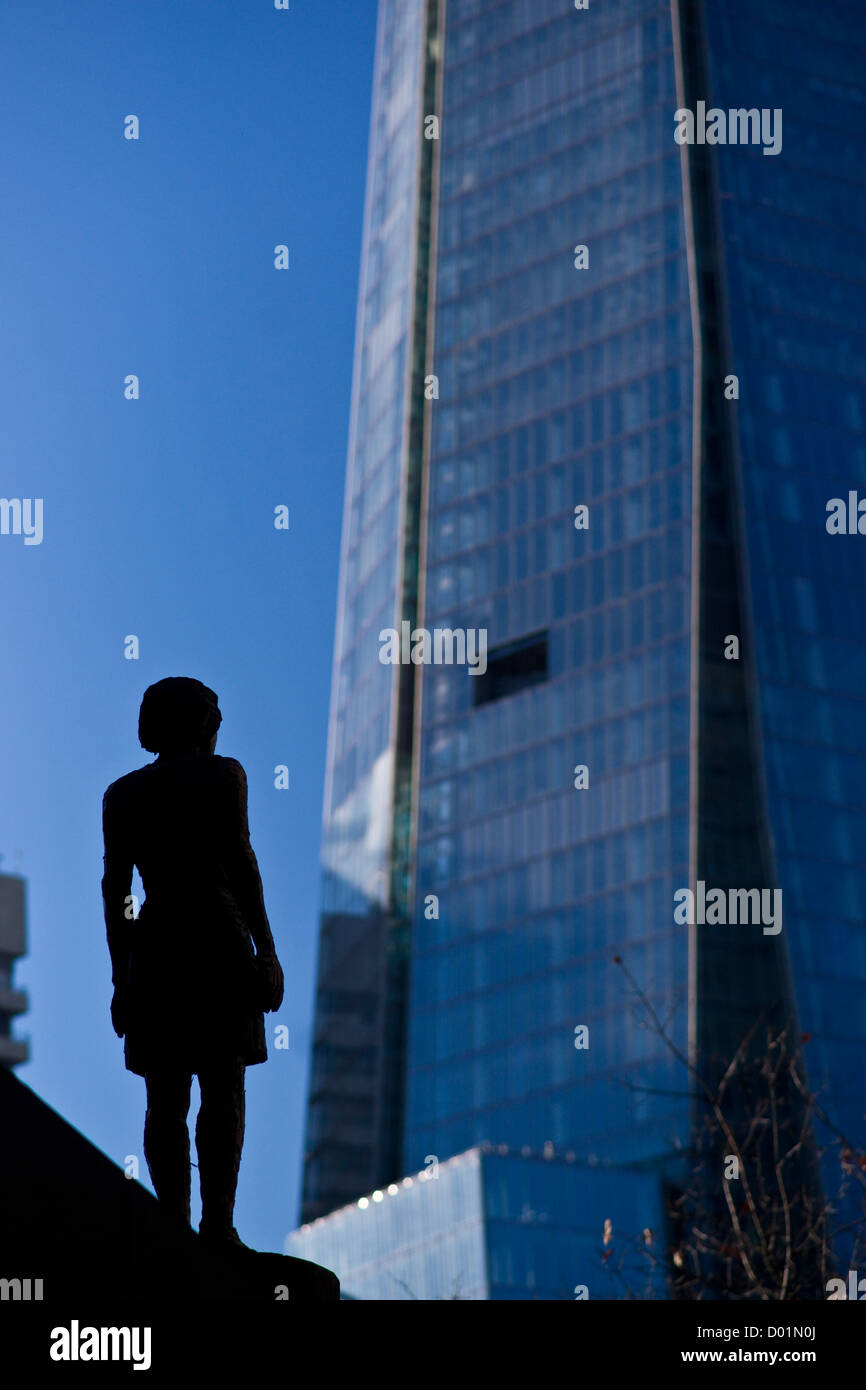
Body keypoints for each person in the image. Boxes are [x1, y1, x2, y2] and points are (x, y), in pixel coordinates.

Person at [101, 677, 284, 1249]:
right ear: (201, 724)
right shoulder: (222, 775)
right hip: (216, 935)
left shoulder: (123, 794)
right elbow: (241, 860)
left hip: (157, 948)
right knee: (222, 1087)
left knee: (166, 1095)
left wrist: (122, 976)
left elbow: (116, 893)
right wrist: (267, 950)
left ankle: (174, 1226)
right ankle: (216, 1228)